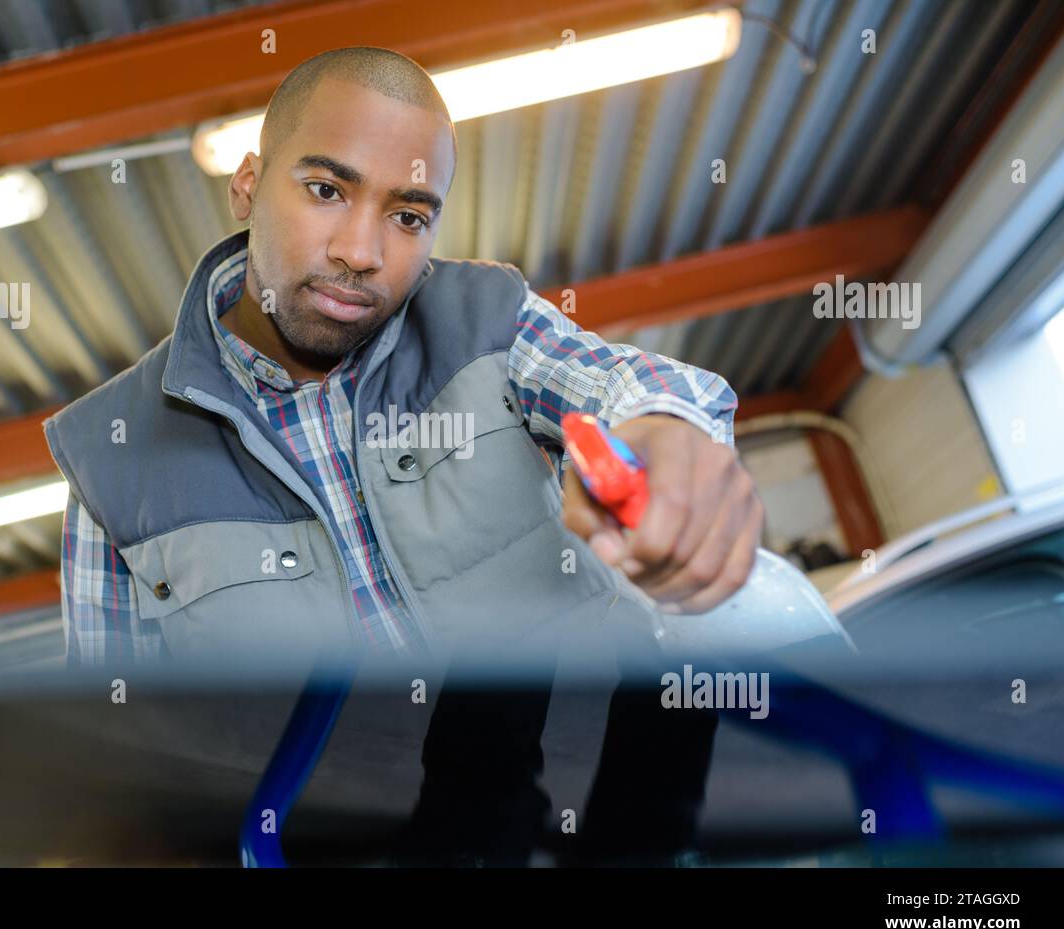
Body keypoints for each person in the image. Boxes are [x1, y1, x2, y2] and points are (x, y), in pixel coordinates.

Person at [46, 46, 763, 866]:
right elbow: (122, 776)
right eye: (325, 190)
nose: (362, 250)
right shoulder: (115, 464)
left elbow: (624, 386)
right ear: (246, 184)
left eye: (409, 215)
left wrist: (669, 436)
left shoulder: (487, 320)